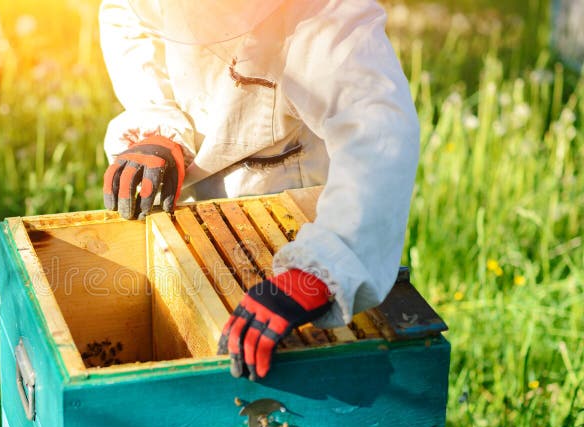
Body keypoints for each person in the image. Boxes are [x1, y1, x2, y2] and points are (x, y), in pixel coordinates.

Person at [99, 0, 419, 380]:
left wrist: (324, 266)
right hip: (192, 214)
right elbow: (129, 16)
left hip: (293, 218)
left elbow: (377, 130)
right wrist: (157, 122)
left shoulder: (326, 16)